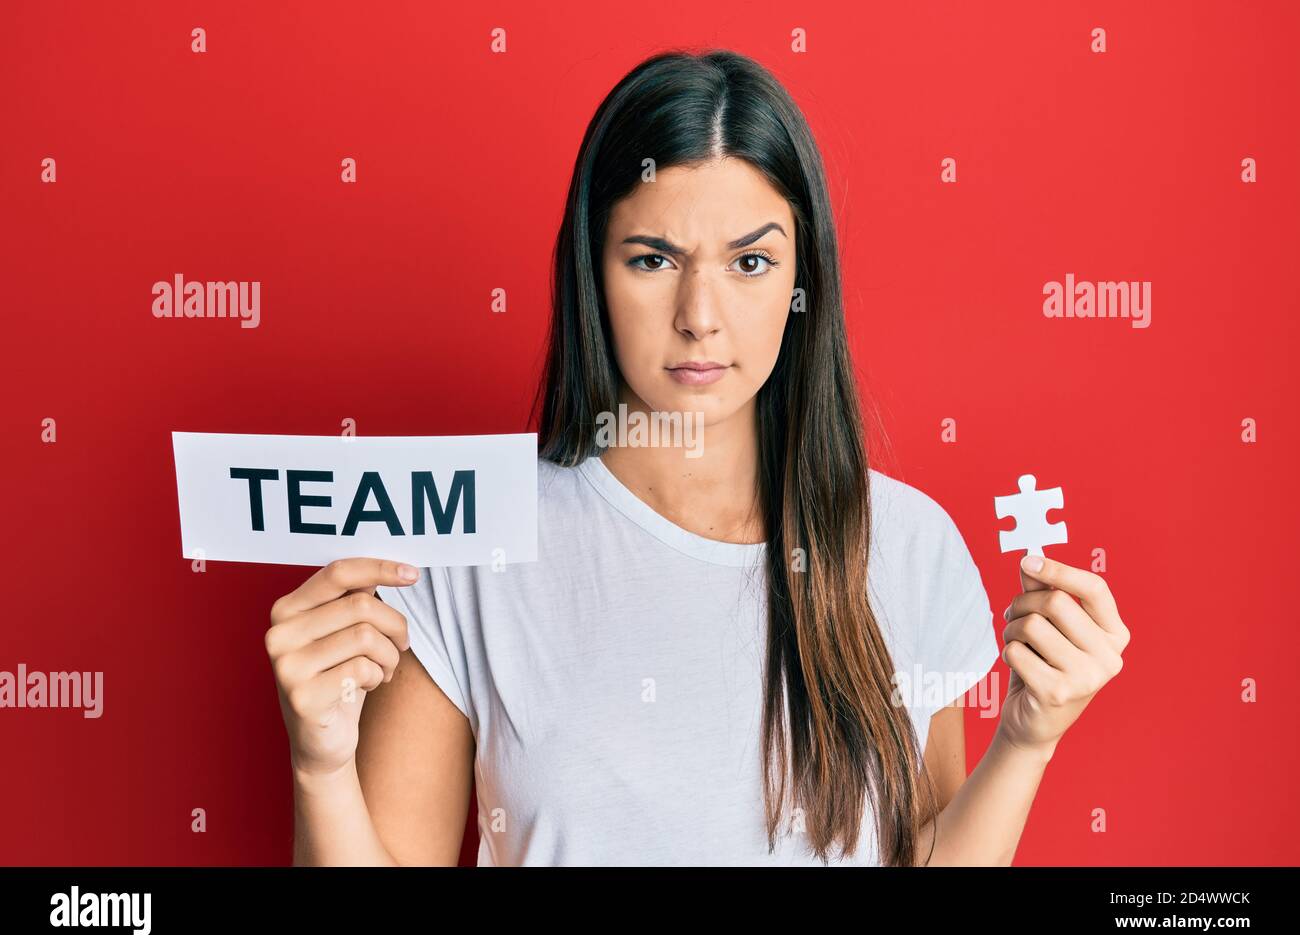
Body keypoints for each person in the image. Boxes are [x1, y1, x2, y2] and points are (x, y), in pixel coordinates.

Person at [266, 49, 1131, 866]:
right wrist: (320, 767)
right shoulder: (469, 543)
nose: (700, 315)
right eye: (652, 259)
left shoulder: (907, 544)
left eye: (751, 262)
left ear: (804, 285)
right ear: (590, 273)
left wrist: (1026, 737)